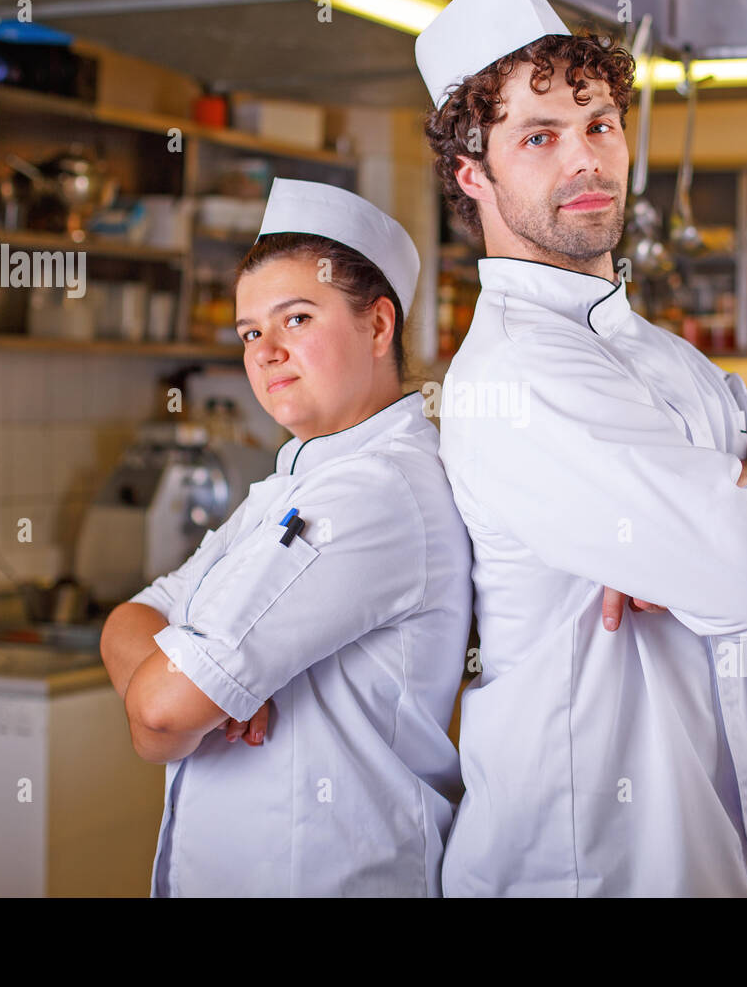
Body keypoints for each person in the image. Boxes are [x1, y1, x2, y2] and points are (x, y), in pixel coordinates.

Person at [415, 0, 747, 896]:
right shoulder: (517, 375)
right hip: (592, 859)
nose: (585, 160)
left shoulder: (663, 356)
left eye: (600, 125)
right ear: (473, 172)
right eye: (540, 136)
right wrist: (725, 516)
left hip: (708, 842)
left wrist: (733, 498)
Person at [99, 178, 472, 896]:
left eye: (296, 319)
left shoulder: (374, 491)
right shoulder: (291, 485)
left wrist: (183, 700)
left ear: (377, 325)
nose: (265, 352)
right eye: (249, 332)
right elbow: (132, 618)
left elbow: (157, 712)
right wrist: (202, 688)